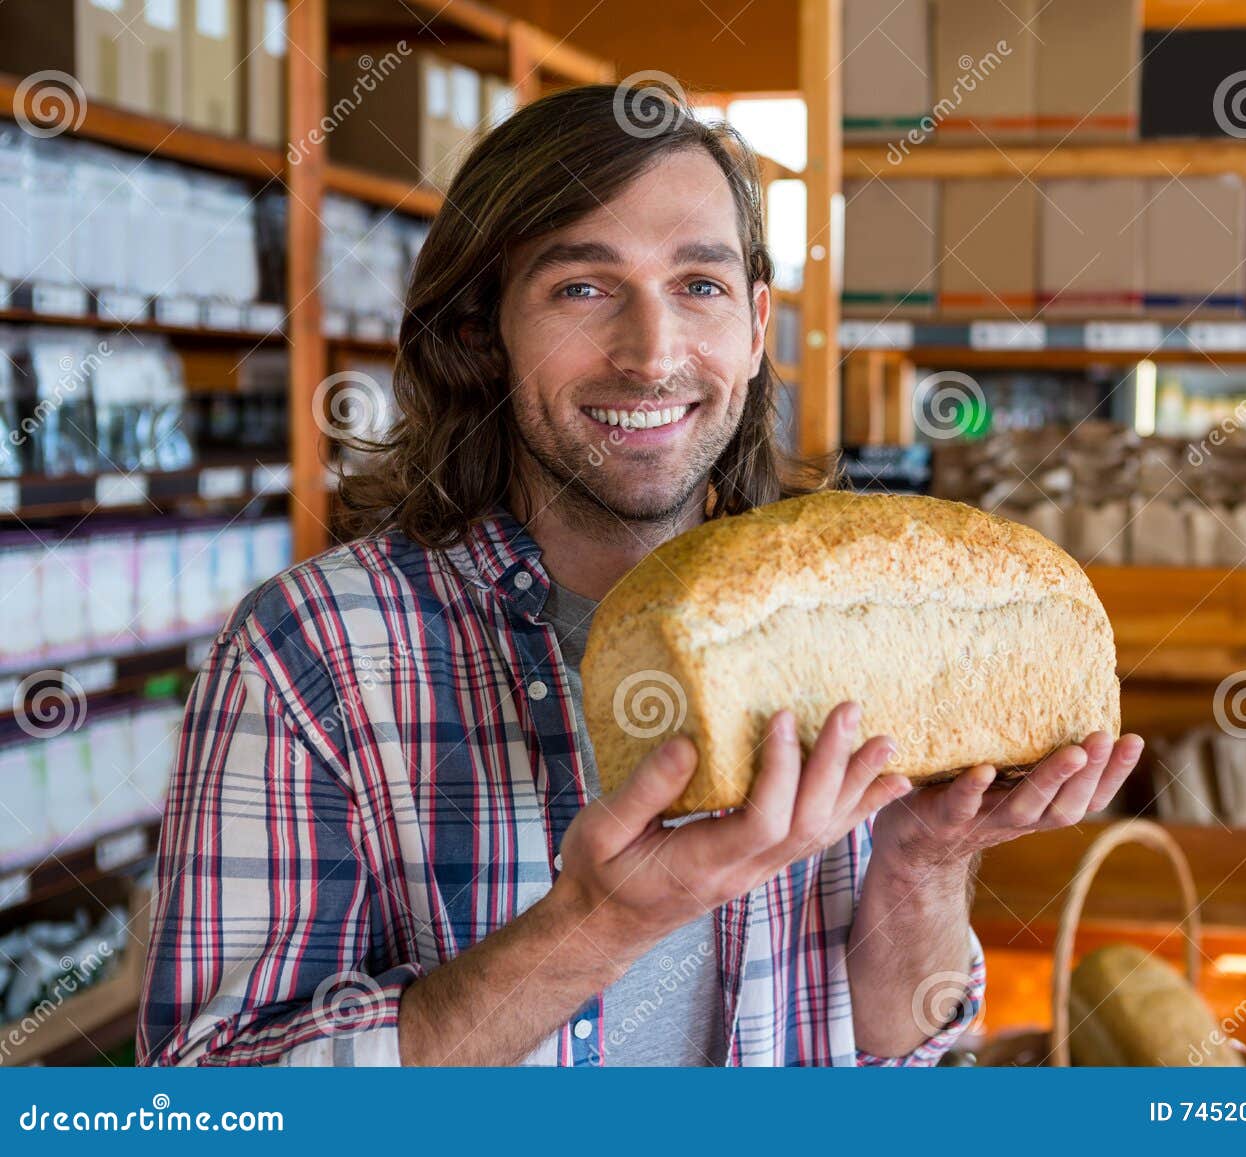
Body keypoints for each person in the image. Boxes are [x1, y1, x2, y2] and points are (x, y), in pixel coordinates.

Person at [136, 82, 1144, 1067]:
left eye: (697, 286)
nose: (651, 352)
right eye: (583, 287)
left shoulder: (842, 628)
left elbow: (895, 1044)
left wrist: (925, 862)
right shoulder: (311, 652)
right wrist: (602, 923)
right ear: (483, 333)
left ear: (755, 328)